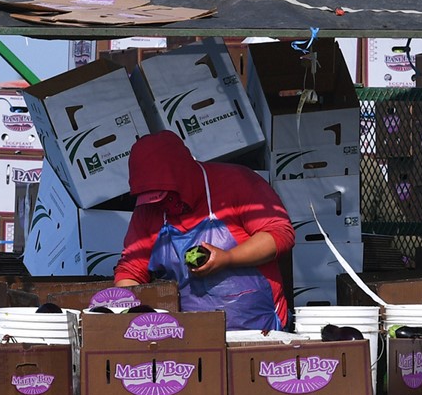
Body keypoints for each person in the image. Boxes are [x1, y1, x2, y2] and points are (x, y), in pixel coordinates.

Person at [114, 131, 295, 331]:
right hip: (190, 336)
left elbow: (279, 233)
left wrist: (228, 258)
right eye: (152, 199)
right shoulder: (147, 211)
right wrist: (131, 313)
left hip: (260, 330)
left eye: (164, 196)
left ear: (183, 176)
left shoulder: (237, 182)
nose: (161, 204)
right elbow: (130, 270)